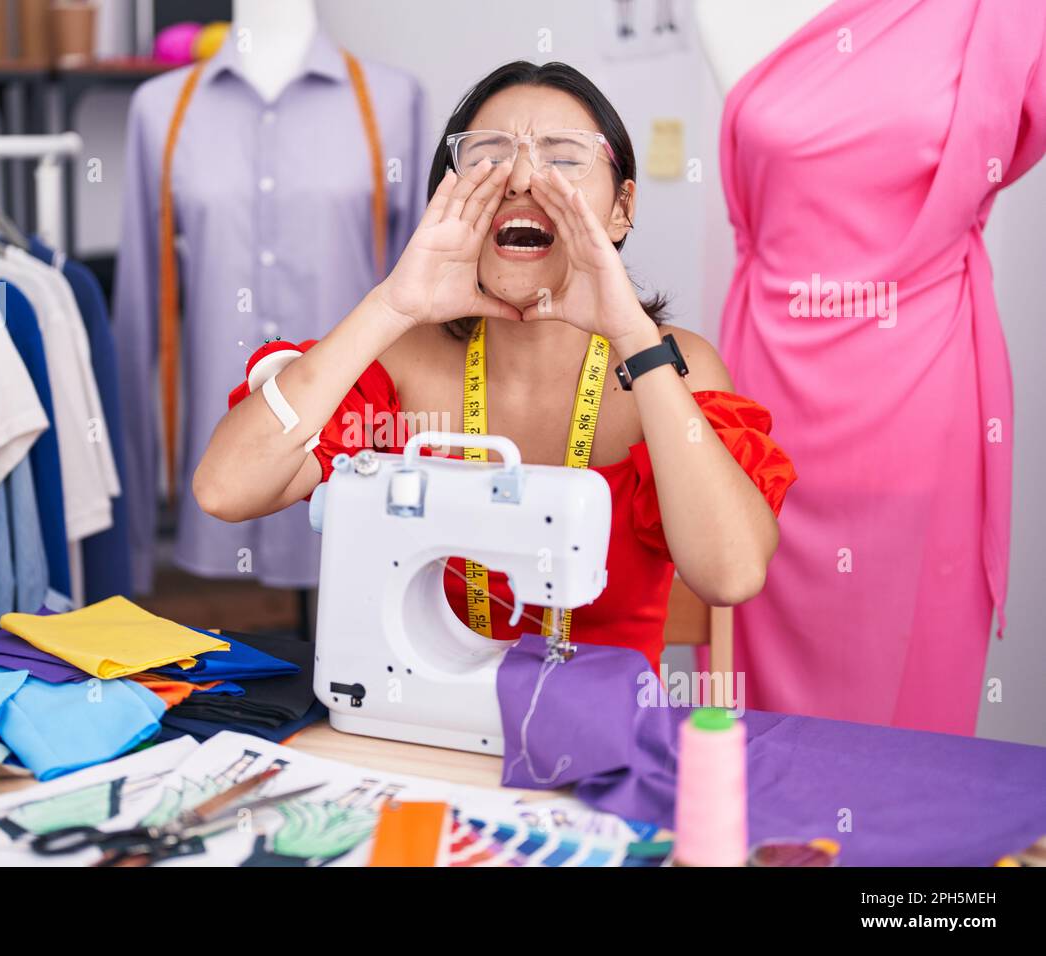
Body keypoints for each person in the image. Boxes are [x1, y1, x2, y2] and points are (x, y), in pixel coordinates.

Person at [194, 61, 796, 676]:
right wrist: (390, 306)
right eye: (488, 157)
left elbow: (732, 571)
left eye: (563, 157)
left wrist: (633, 338)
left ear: (621, 208)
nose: (523, 179)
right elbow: (224, 488)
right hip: (422, 731)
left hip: (599, 745)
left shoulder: (673, 367)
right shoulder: (400, 362)